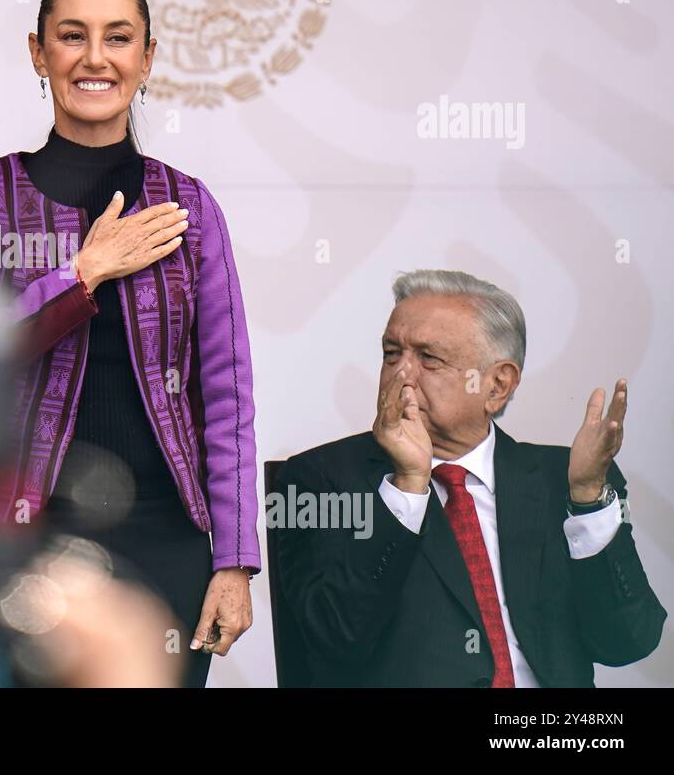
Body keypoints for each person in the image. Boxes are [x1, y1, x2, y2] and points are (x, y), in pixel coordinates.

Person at [0, 0, 260, 687]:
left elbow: (228, 393)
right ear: (38, 52)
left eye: (118, 38)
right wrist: (82, 274)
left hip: (166, 539)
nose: (94, 57)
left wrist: (234, 561)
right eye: (72, 35)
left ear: (147, 59)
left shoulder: (188, 206)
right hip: (20, 536)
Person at [275, 269, 666, 686]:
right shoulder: (316, 480)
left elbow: (628, 642)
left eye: (429, 358)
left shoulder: (565, 479)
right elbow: (334, 643)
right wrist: (408, 484)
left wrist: (588, 499)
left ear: (497, 385)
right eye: (392, 353)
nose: (401, 375)